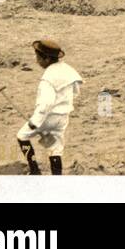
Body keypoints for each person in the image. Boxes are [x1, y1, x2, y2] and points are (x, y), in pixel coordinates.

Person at [15, 40, 82, 176]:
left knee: (22, 136)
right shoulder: (67, 69)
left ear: (46, 58)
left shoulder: (47, 78)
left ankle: (35, 171)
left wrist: (35, 121)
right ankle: (56, 177)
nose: (37, 61)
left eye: (38, 58)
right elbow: (76, 90)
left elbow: (46, 103)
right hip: (64, 116)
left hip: (48, 117)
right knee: (55, 148)